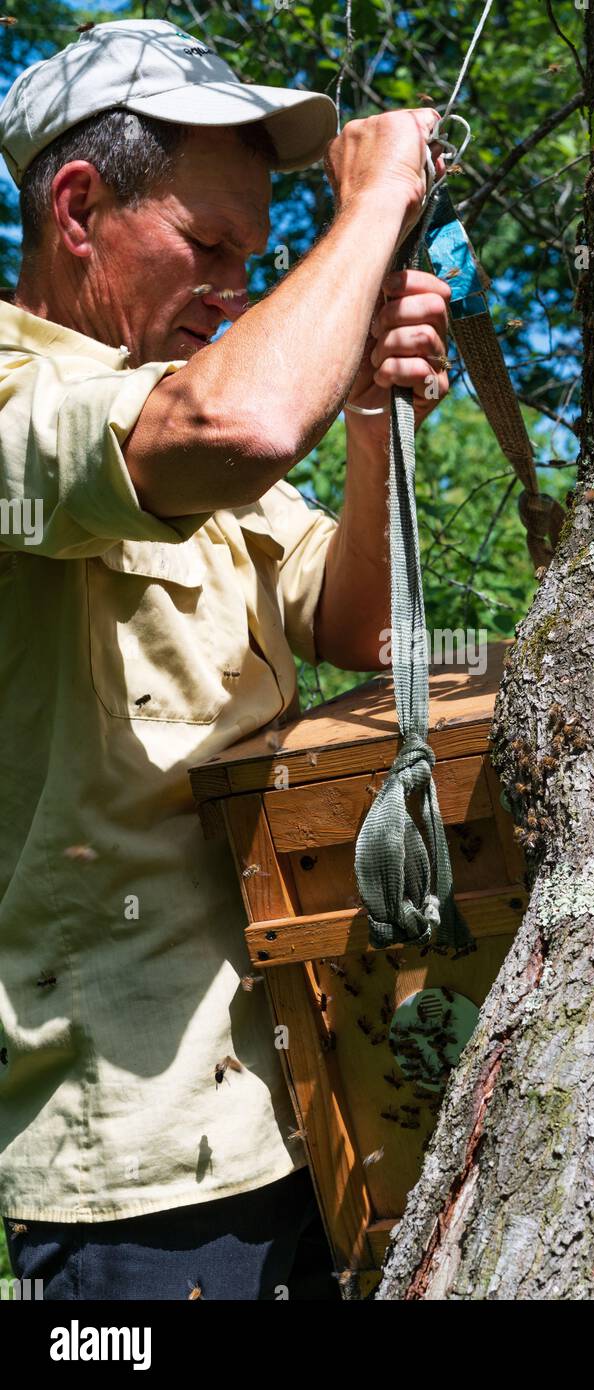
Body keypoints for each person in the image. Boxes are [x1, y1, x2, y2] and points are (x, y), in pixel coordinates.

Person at [0, 18, 451, 1300]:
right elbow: (241, 424)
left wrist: (366, 406)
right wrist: (366, 219)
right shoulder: (55, 400)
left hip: (307, 1097)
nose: (234, 292)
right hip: (142, 1172)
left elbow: (359, 626)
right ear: (78, 208)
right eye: (207, 249)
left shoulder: (178, 393)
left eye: (252, 261)